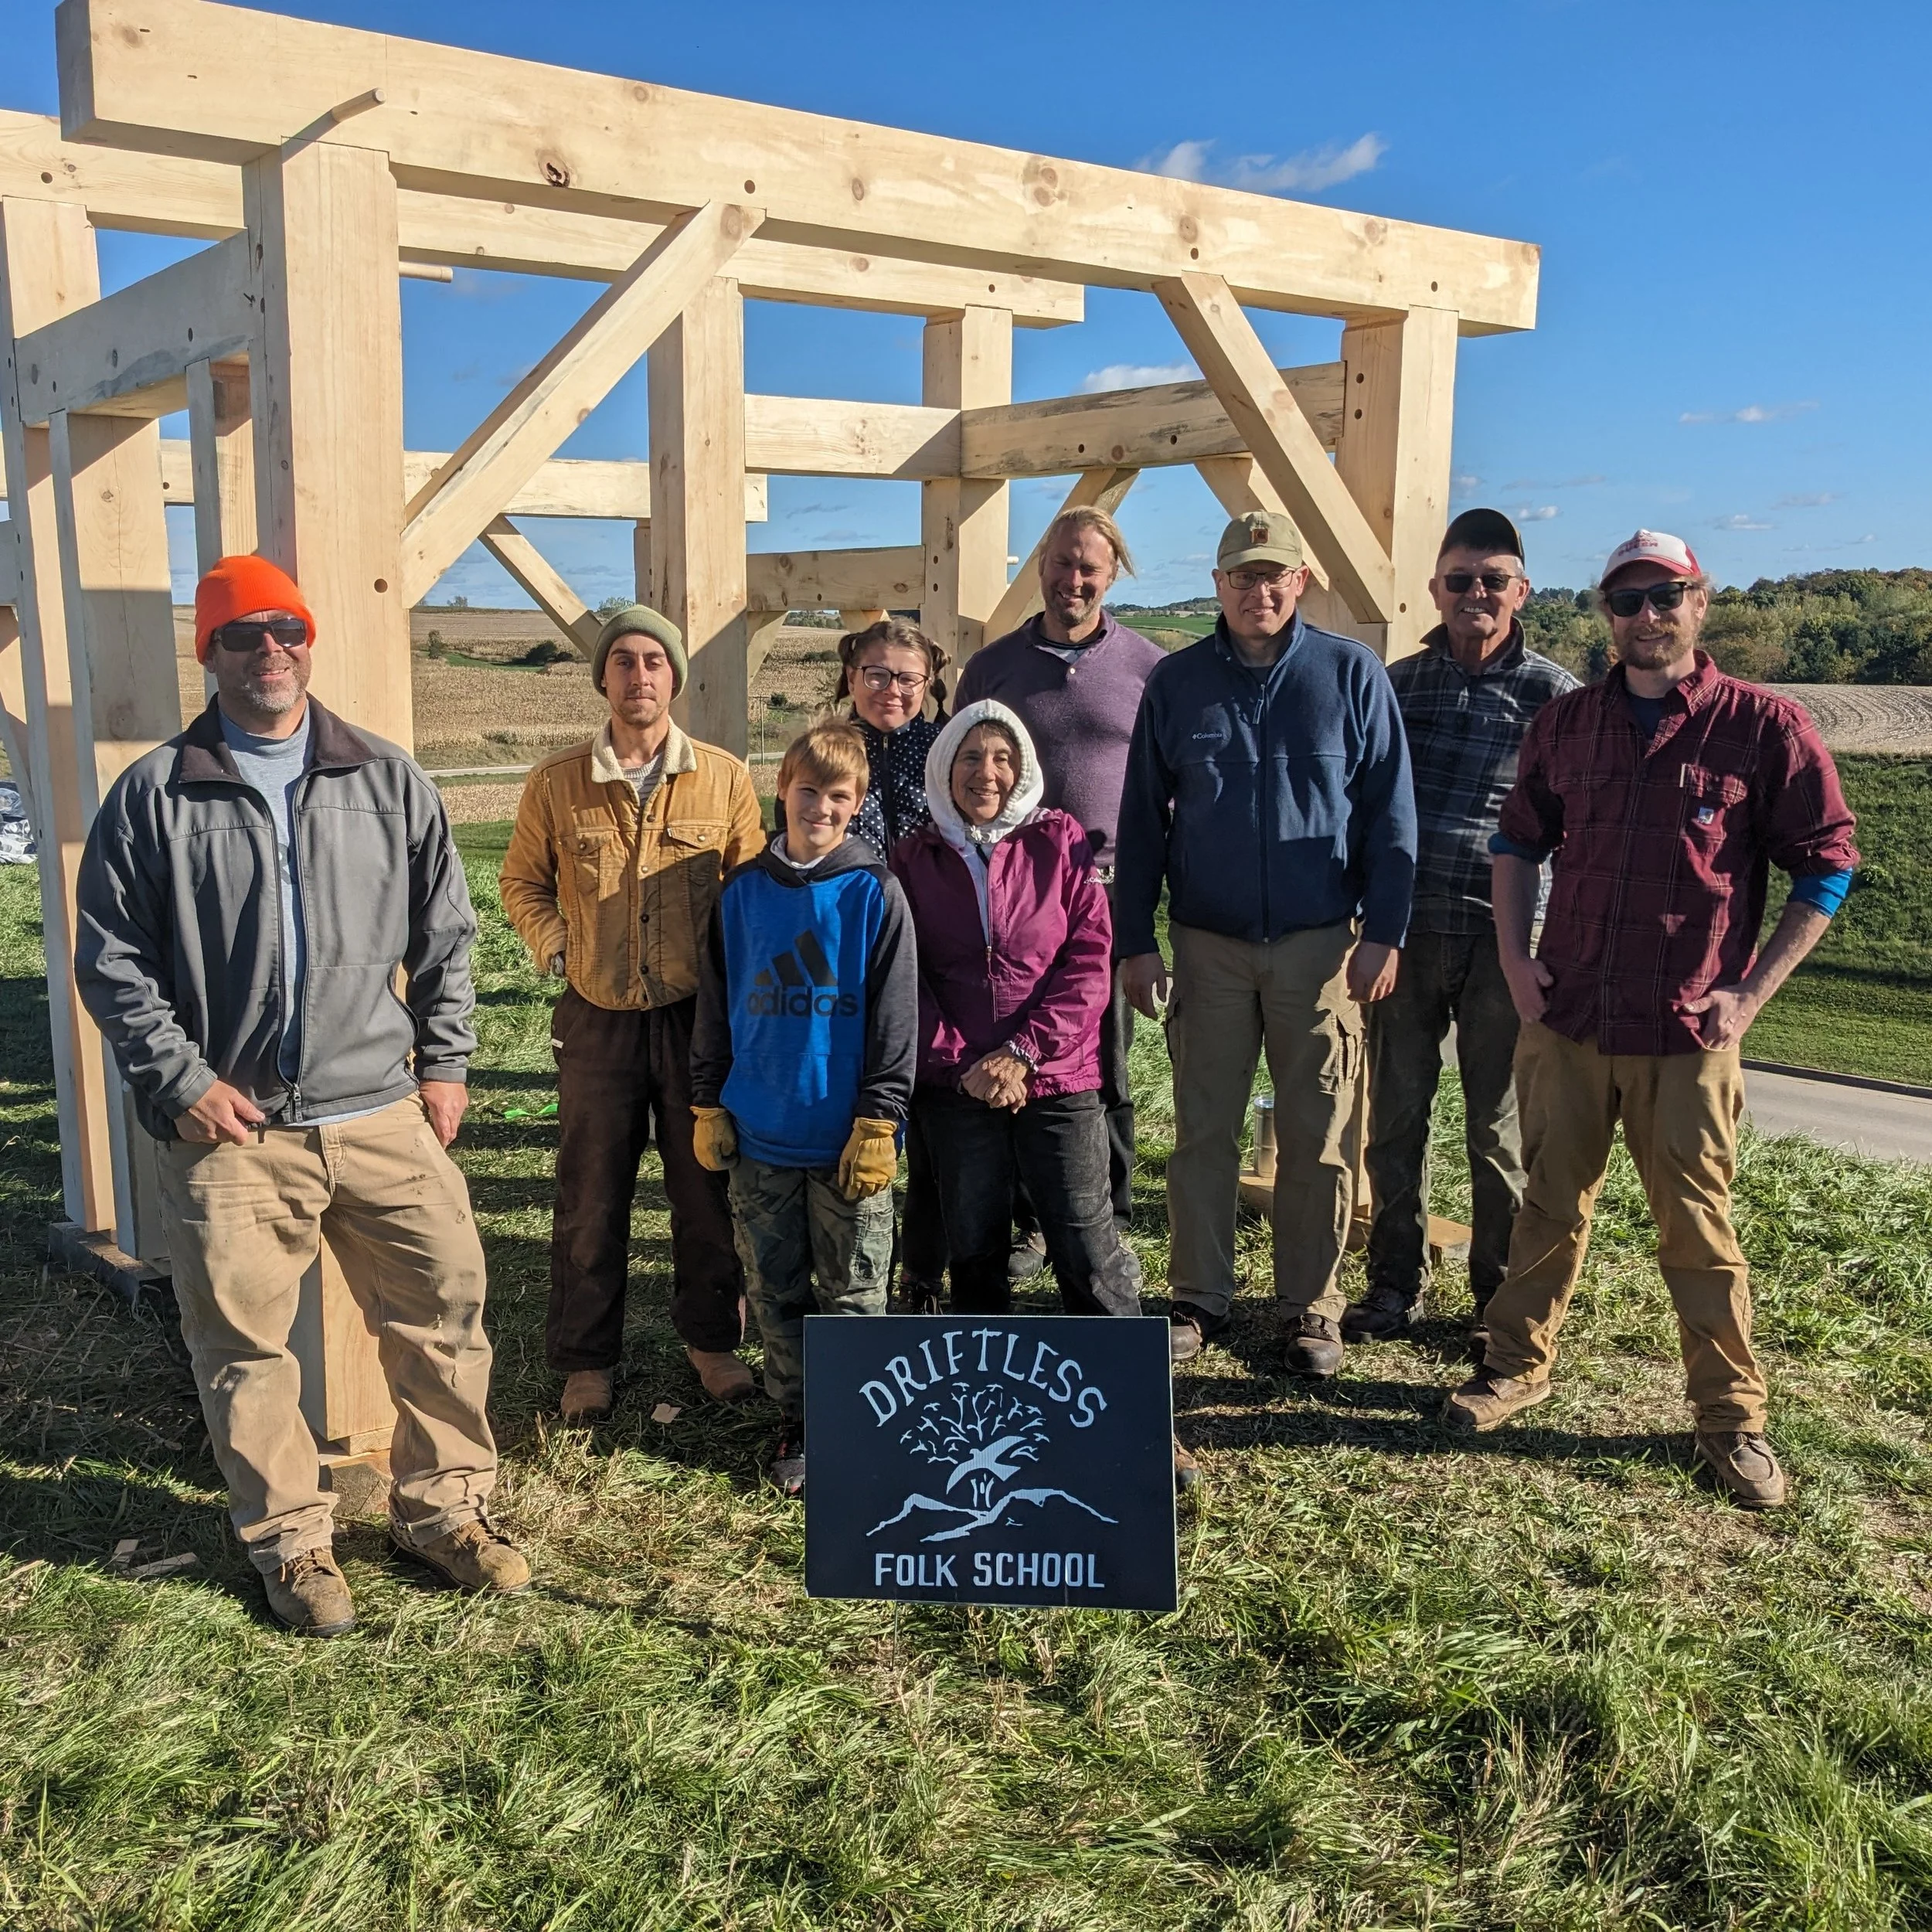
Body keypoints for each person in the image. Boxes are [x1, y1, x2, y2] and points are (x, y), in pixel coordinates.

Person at [73, 554, 527, 1638]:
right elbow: (110, 958)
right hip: (235, 1130)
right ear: (211, 654)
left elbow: (446, 933)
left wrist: (448, 1062)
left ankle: (445, 1511)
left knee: (444, 1311)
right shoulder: (155, 792)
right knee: (240, 1347)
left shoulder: (384, 775)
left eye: (286, 630)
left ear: (308, 642)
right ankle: (291, 1543)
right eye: (242, 635)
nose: (269, 649)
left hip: (379, 1108)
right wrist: (180, 1079)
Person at [1443, 530, 1859, 1510]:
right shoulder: (1570, 723)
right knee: (1549, 1203)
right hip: (1572, 1015)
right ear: (1604, 614)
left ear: (1699, 602)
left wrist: (1750, 995)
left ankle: (1730, 1419)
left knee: (1698, 1228)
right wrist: (1514, 958)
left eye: (1664, 596)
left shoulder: (1766, 728)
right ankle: (1513, 1365)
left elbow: (1827, 866)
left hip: (1689, 1032)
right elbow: (1516, 842)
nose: (1645, 617)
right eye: (1625, 602)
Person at [1115, 511, 1416, 1379]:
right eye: (1242, 576)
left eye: (1273, 574)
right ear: (1217, 584)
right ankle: (1197, 1295)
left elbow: (1392, 818)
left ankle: (1309, 1305)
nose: (1259, 591)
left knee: (1320, 1135)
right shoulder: (1176, 685)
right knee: (1203, 1130)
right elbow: (1141, 826)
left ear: (1302, 579)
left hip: (1323, 947)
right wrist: (1138, 941)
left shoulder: (1349, 674)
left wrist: (1384, 931)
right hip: (1207, 946)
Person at [891, 701, 1197, 1489]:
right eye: (969, 757)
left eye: (1001, 757)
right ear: (943, 768)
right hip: (955, 1085)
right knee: (977, 1251)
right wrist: (962, 1060)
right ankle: (987, 1429)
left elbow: (1089, 959)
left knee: (1086, 1244)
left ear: (1021, 766)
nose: (985, 773)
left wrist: (1022, 1052)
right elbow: (904, 976)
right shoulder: (912, 858)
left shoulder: (1058, 843)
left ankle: (1137, 1424)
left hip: (1055, 1078)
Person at [500, 605, 764, 1423]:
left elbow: (751, 893)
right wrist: (557, 948)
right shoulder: (556, 782)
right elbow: (521, 883)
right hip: (597, 1017)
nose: (639, 675)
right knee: (590, 1191)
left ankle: (712, 1343)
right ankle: (586, 1360)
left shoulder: (723, 778)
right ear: (603, 678)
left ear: (674, 677)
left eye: (654, 660)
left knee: (704, 1187)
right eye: (624, 661)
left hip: (696, 1020)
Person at [1346, 510, 1578, 1345]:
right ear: (1435, 590)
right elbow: (1362, 804)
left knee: (1496, 1130)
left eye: (1492, 580)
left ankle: (1494, 1296)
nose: (1474, 593)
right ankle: (1391, 1285)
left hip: (1502, 941)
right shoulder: (1396, 684)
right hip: (1404, 931)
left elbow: (1578, 824)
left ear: (1520, 591)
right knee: (1396, 1117)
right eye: (1458, 580)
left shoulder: (1556, 697)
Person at [691, 721, 917, 1495]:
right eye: (808, 790)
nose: (820, 807)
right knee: (777, 1290)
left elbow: (895, 1017)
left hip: (846, 1137)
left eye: (839, 796)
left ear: (856, 807)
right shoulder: (742, 893)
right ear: (781, 791)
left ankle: (855, 1427)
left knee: (853, 1295)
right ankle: (796, 1417)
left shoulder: (874, 892)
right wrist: (706, 1100)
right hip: (759, 1132)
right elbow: (715, 1006)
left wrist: (879, 1117)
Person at [954, 504, 1165, 1246]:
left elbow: (1167, 788)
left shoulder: (1148, 667)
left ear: (1113, 575)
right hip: (1010, 899)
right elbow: (960, 772)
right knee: (1014, 1050)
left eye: (1089, 568)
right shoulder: (992, 668)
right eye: (1062, 563)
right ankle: (1026, 1224)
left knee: (1101, 1061)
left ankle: (1103, 1218)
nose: (1072, 579)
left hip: (1104, 895)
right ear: (1039, 565)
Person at [778, 617, 951, 1311]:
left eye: (908, 678)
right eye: (876, 674)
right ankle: (828, 1260)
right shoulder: (827, 751)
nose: (891, 689)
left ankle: (921, 1270)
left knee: (931, 1119)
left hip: (932, 950)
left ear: (927, 684)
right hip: (839, 955)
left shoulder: (943, 748)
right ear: (851, 676)